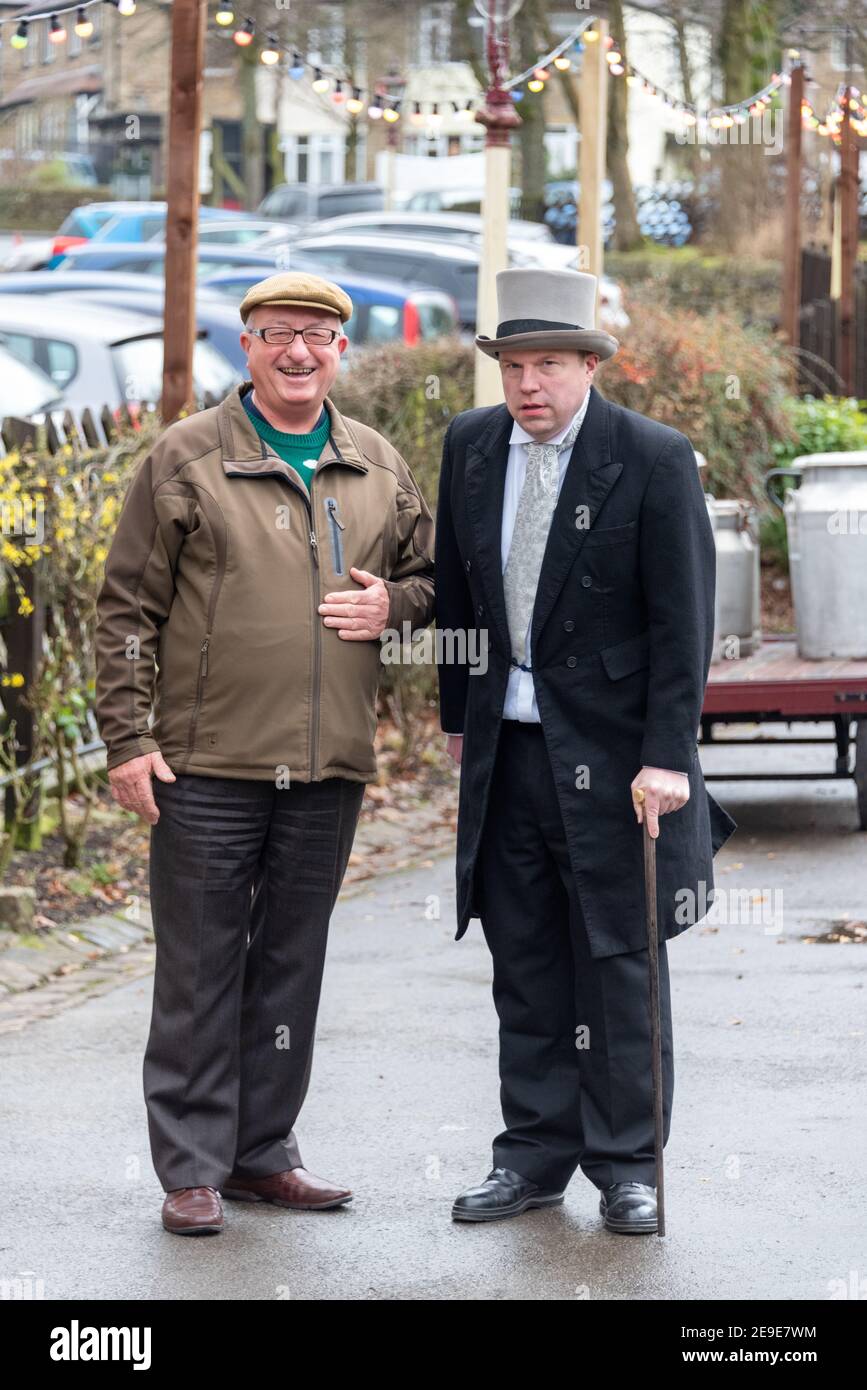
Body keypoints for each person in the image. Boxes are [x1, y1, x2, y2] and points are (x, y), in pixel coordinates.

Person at [95, 271, 435, 1235]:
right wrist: (128, 737)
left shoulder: (375, 463)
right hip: (205, 763)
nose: (298, 351)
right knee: (200, 969)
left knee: (292, 962)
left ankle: (261, 1152)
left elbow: (432, 581)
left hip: (328, 765)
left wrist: (393, 606)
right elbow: (126, 608)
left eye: (317, 335)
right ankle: (191, 1167)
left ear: (341, 350)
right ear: (246, 346)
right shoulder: (187, 457)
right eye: (278, 333)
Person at [434, 268, 737, 1233]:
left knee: (618, 961)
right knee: (522, 958)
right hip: (508, 750)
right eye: (513, 367)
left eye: (549, 366)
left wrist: (667, 756)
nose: (529, 385)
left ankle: (627, 1166)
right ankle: (529, 1158)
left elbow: (682, 621)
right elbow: (454, 592)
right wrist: (458, 721)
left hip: (616, 761)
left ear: (589, 365)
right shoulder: (471, 445)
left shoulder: (649, 456)